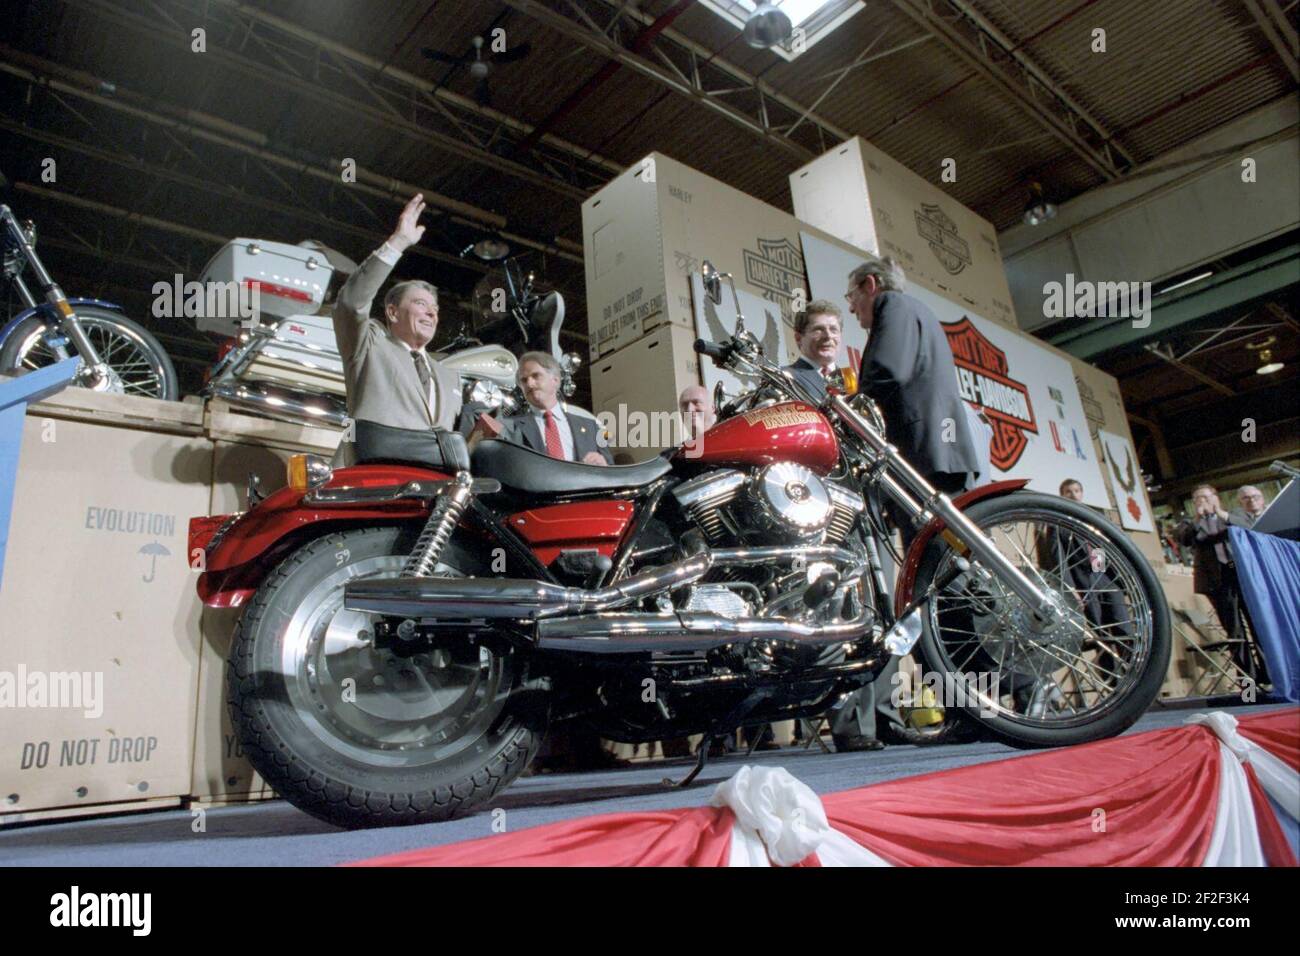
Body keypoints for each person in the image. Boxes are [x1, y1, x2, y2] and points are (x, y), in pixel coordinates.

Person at [331, 193, 472, 466]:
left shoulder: (450, 377)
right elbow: (350, 303)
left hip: (428, 492)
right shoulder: (369, 344)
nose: (432, 312)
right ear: (392, 312)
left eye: (435, 309)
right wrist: (398, 242)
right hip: (370, 480)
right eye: (421, 303)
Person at [846, 258, 982, 501]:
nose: (851, 308)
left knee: (930, 537)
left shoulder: (893, 304)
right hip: (938, 449)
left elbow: (887, 370)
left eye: (851, 296)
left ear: (870, 284)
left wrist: (850, 409)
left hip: (923, 451)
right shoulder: (917, 310)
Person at [1040, 479, 1131, 691]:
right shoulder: (1057, 522)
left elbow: (1103, 548)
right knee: (1103, 636)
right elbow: (1058, 558)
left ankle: (1135, 676)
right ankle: (1114, 684)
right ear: (1062, 495)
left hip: (1105, 579)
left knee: (1124, 630)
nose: (1073, 494)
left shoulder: (1093, 517)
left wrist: (1110, 576)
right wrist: (1070, 589)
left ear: (1082, 493)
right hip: (1083, 585)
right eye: (1068, 492)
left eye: (1076, 490)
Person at [1176, 484, 1258, 674]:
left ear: (1216, 497)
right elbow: (1185, 539)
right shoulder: (1190, 523)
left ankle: (1272, 675)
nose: (1201, 502)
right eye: (1196, 499)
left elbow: (1249, 527)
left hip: (1239, 574)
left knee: (1257, 624)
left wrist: (1219, 513)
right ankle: (1249, 682)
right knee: (1234, 630)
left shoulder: (1234, 514)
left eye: (1205, 497)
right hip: (1216, 581)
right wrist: (1198, 518)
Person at [499, 351, 613, 464]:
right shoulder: (510, 428)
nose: (529, 384)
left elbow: (613, 475)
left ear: (556, 380)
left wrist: (604, 466)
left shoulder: (591, 427)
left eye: (535, 376)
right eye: (524, 380)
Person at [785, 301, 843, 399]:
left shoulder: (854, 382)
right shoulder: (784, 378)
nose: (828, 336)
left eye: (833, 330)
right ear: (798, 338)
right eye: (818, 329)